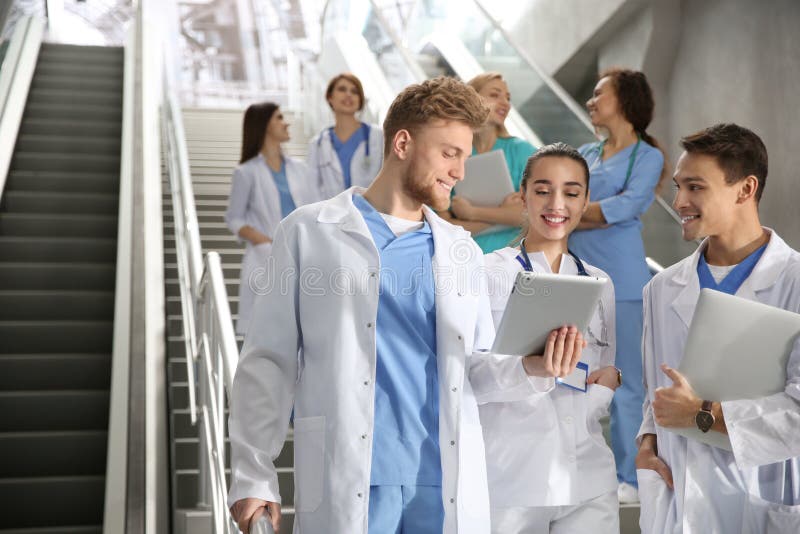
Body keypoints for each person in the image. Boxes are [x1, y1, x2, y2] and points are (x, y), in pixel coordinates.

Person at [226, 76, 587, 534]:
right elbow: (268, 363)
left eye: (465, 157)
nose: (460, 172)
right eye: (450, 154)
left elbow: (473, 368)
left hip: (441, 483)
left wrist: (532, 367)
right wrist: (253, 472)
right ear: (402, 143)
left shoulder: (461, 251)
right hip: (351, 474)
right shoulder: (309, 232)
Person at [636, 123, 800, 533]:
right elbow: (653, 391)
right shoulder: (661, 287)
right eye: (678, 187)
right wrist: (646, 443)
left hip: (763, 499)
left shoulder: (793, 281)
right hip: (677, 499)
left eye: (695, 187)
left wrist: (703, 414)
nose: (679, 201)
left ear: (745, 190)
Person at [481, 143, 620, 533]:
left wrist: (608, 384)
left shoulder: (599, 282)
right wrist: (532, 368)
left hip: (588, 476)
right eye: (542, 190)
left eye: (572, 193)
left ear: (585, 200)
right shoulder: (487, 274)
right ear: (522, 196)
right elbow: (466, 375)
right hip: (512, 479)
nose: (556, 203)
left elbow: (604, 365)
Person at [567, 68, 665, 502]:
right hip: (575, 275)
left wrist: (572, 209)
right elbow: (562, 200)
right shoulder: (585, 152)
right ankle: (575, 472)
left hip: (624, 280)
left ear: (624, 100)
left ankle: (629, 478)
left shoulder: (648, 157)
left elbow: (627, 207)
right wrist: (571, 207)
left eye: (598, 94)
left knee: (625, 381)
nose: (591, 101)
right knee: (572, 374)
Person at [224, 102, 318, 334]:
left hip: (303, 256)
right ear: (264, 125)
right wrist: (263, 241)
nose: (286, 122)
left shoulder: (301, 169)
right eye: (279, 117)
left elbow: (316, 210)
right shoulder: (246, 172)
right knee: (270, 330)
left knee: (306, 325)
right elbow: (234, 218)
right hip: (266, 258)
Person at [441, 72, 536, 253]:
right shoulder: (452, 153)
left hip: (509, 260)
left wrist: (471, 213)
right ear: (471, 98)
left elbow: (533, 215)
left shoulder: (524, 152)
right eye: (494, 95)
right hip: (461, 258)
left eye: (508, 98)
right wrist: (503, 214)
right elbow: (443, 224)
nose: (505, 103)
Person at [307, 72, 384, 200]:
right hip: (331, 216)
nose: (349, 94)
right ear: (330, 97)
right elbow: (311, 190)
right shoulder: (317, 144)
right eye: (342, 89)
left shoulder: (378, 137)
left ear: (360, 100)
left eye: (354, 91)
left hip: (370, 215)